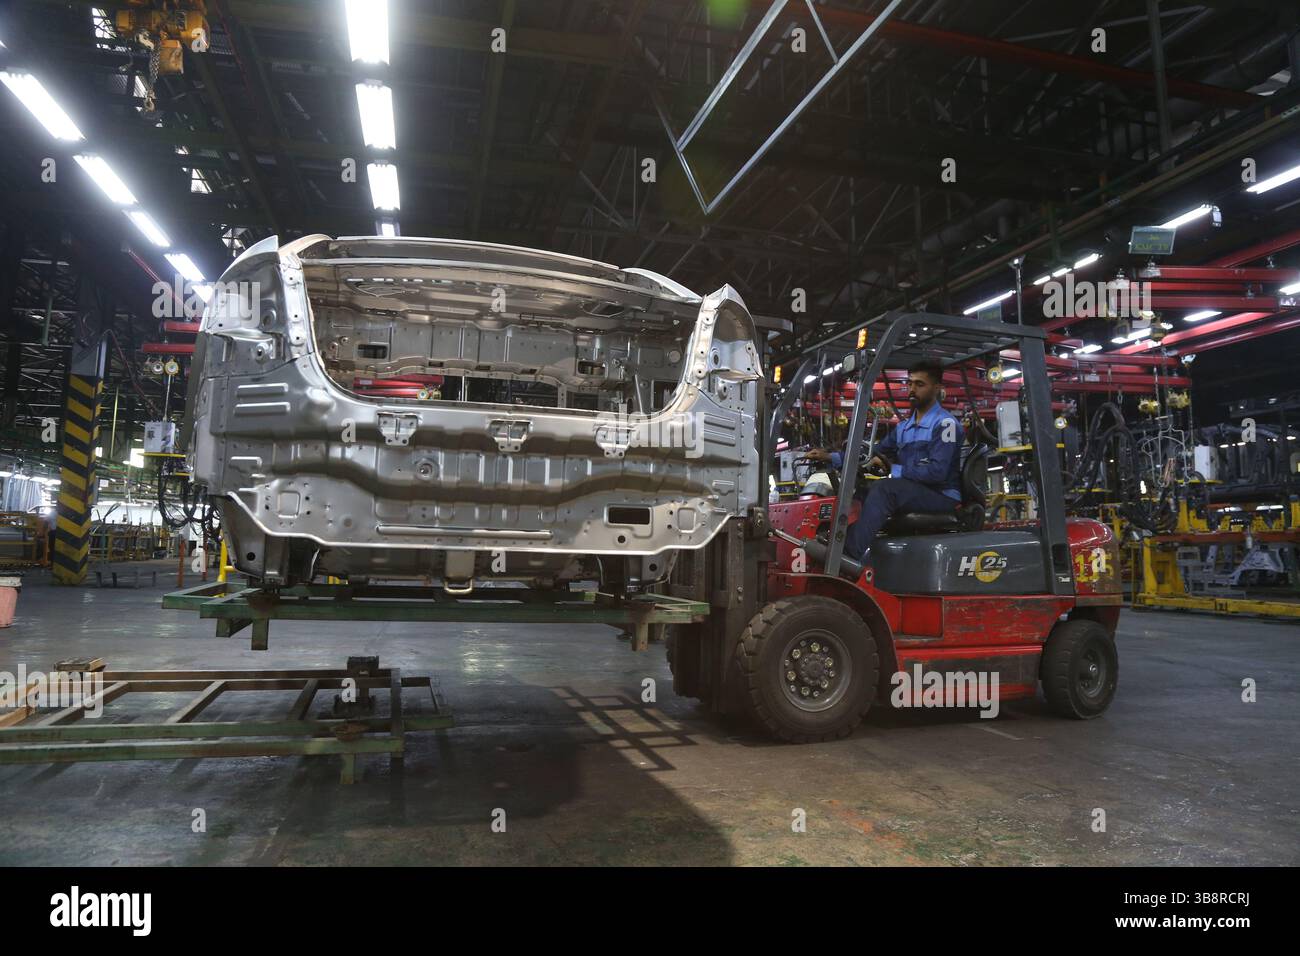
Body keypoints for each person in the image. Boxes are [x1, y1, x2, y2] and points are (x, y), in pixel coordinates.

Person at [807, 359, 964, 562]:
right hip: (914, 490)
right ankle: (837, 542)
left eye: (920, 384)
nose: (912, 389)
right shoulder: (903, 428)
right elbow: (872, 453)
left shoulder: (945, 424)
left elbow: (937, 472)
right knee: (862, 491)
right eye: (910, 383)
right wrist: (832, 457)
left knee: (885, 489)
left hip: (941, 495)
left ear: (936, 388)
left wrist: (893, 469)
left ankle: (847, 556)